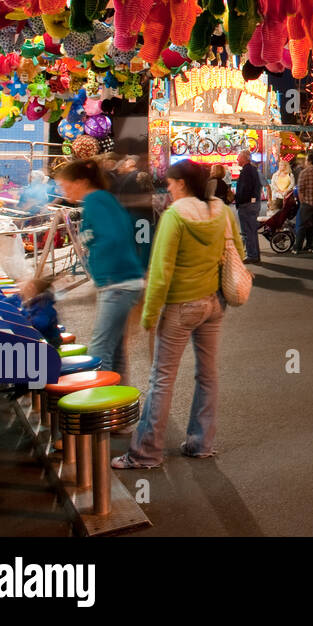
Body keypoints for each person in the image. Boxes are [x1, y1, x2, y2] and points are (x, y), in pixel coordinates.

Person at [112, 160, 243, 468]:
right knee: (208, 375)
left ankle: (146, 453)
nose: (167, 188)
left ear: (182, 184)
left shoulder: (175, 217)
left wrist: (149, 314)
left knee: (162, 378)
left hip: (181, 306)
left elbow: (160, 272)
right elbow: (238, 250)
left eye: (170, 183)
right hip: (214, 304)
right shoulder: (221, 211)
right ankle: (200, 443)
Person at [54, 159, 145, 385]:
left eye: (67, 185)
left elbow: (113, 238)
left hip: (117, 284)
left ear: (82, 181)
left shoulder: (96, 201)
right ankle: (117, 403)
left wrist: (104, 271)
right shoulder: (103, 200)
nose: (64, 191)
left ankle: (97, 404)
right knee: (114, 349)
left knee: (99, 349)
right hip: (124, 281)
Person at [234, 150, 262, 264]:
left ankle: (252, 255)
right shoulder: (252, 169)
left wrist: (238, 199)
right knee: (252, 230)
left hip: (247, 205)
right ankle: (254, 254)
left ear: (244, 158)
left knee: (247, 231)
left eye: (239, 157)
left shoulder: (246, 171)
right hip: (253, 204)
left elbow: (245, 189)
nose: (237, 159)